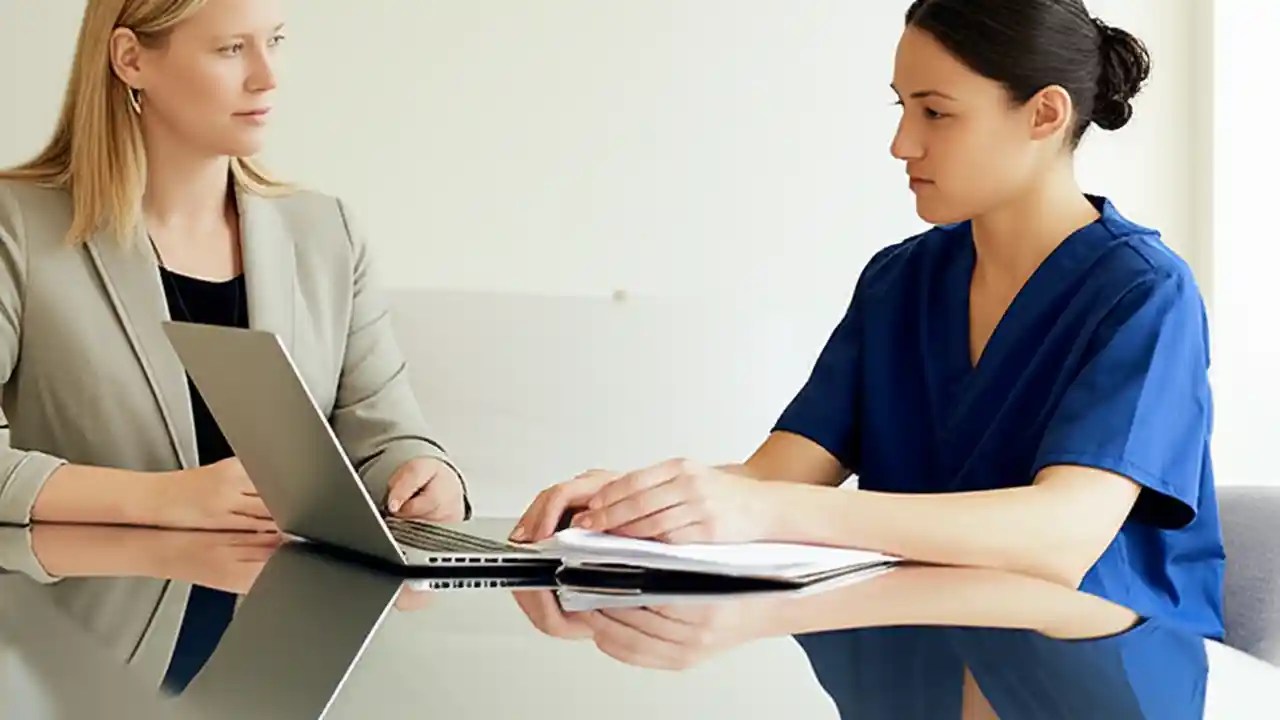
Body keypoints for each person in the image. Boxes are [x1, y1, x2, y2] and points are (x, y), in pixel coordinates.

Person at [514, 0, 1226, 640]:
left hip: (1104, 662)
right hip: (916, 645)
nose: (902, 144)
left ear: (1044, 115)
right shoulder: (900, 282)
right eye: (901, 109)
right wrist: (631, 505)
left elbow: (1060, 537)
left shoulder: (1143, 294)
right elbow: (775, 480)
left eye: (936, 112)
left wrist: (766, 512)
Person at [0, 0, 468, 532]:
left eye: (275, 41)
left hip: (294, 608)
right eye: (231, 49)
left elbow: (385, 435)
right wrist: (157, 499)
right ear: (131, 59)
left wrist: (426, 476)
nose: (267, 78)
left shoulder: (326, 235)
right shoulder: (16, 228)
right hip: (90, 606)